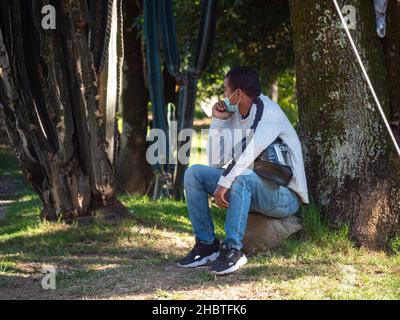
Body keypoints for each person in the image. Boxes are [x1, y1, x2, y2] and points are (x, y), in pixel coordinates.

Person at [177, 66, 309, 275]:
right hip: (251, 186)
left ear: (238, 93)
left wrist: (224, 184)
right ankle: (207, 245)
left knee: (241, 177)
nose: (224, 97)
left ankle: (232, 250)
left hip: (284, 196)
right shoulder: (235, 114)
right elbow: (215, 161)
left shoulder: (268, 113)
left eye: (226, 91)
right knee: (194, 174)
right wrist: (218, 121)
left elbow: (249, 153)